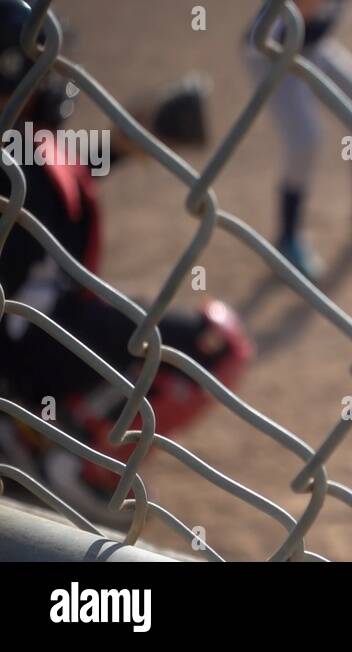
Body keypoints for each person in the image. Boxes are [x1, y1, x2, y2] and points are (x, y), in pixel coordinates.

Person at [0, 0, 252, 526]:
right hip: (33, 348)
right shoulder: (16, 159)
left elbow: (80, 156)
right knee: (213, 345)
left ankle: (47, 436)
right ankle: (70, 459)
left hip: (43, 333)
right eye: (38, 65)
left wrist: (149, 124)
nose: (51, 77)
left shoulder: (22, 146)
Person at [245, 0, 352, 282]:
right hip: (272, 54)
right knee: (305, 140)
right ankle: (287, 240)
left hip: (314, 49)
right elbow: (303, 10)